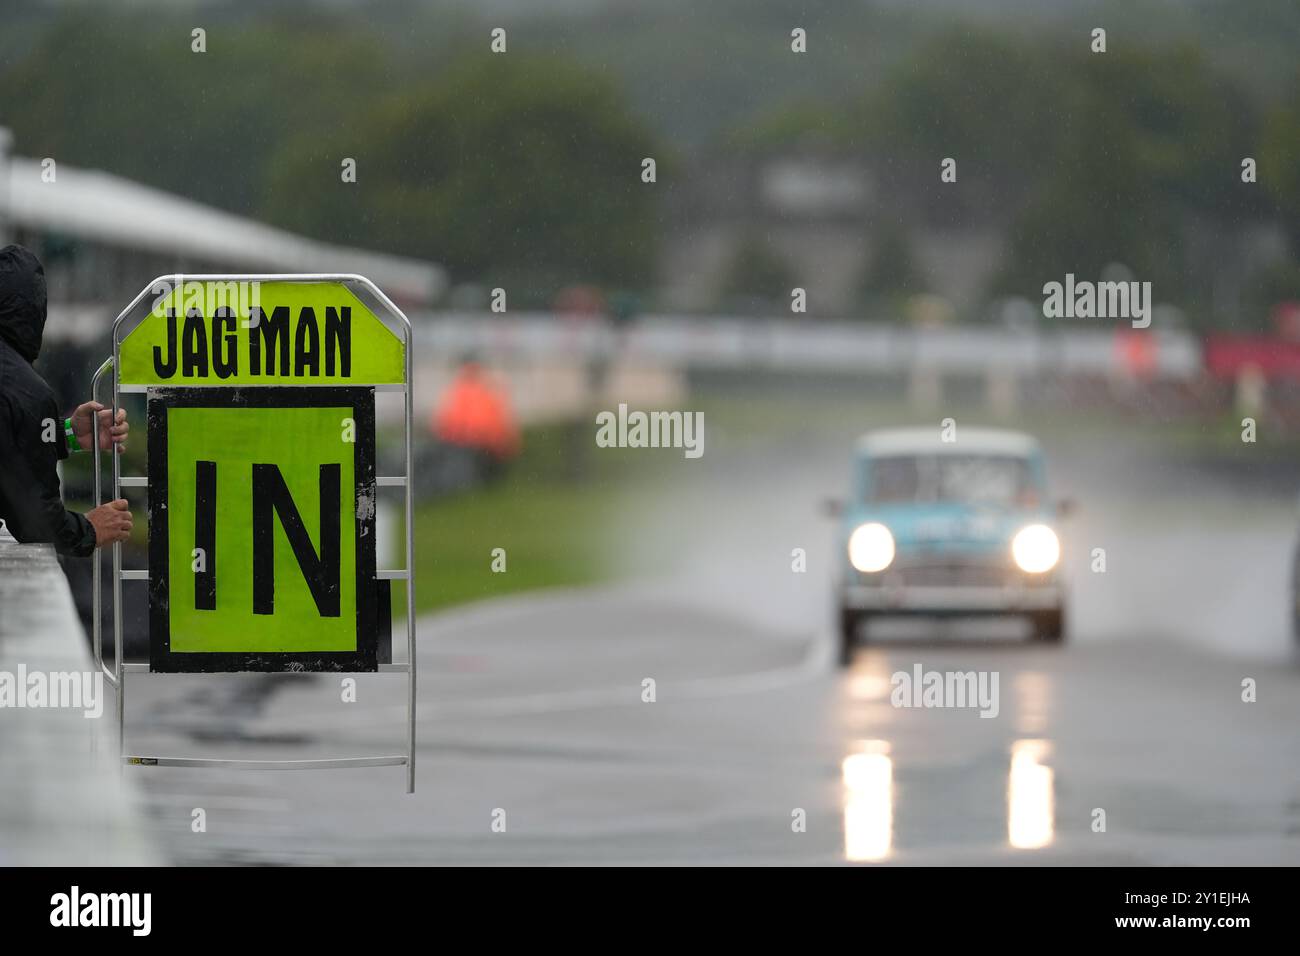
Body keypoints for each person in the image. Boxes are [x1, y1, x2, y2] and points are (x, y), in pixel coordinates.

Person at [0, 244, 131, 555]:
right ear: (35, 310)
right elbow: (36, 521)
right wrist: (90, 528)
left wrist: (66, 434)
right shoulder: (28, 391)